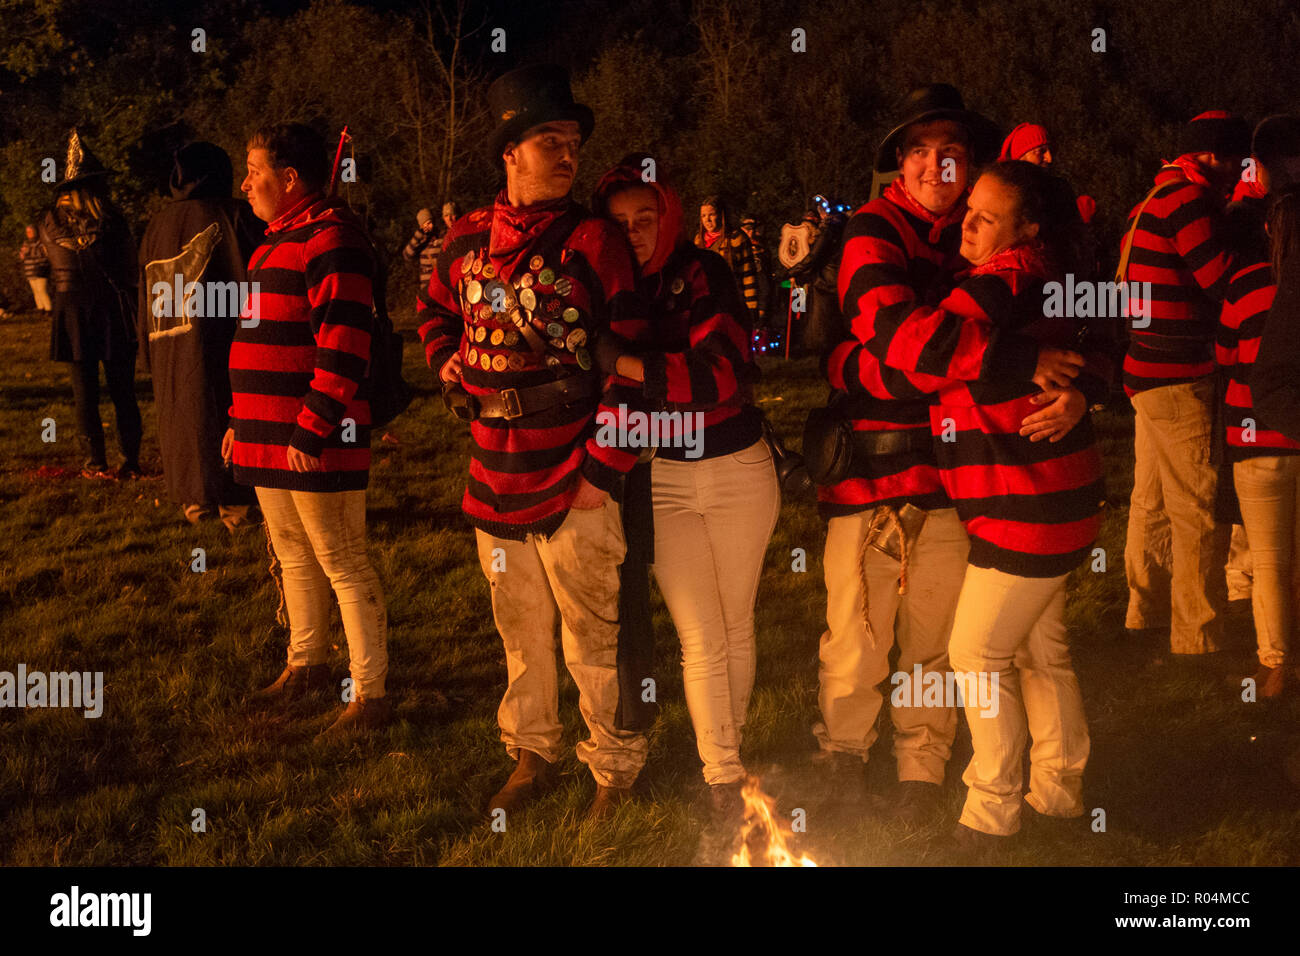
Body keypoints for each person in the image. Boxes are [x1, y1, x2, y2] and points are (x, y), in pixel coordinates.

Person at [417, 65, 648, 820]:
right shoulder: (462, 243)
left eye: (573, 141)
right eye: (550, 140)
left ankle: (613, 767)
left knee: (594, 632)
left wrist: (600, 472)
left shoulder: (595, 241)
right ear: (509, 152)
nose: (567, 153)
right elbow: (432, 316)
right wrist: (444, 358)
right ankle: (532, 749)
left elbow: (635, 364)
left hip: (573, 470)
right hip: (493, 472)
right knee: (520, 629)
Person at [865, 161, 1111, 850]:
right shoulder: (1058, 277)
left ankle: (991, 812)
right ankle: (1060, 792)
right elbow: (1105, 335)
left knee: (975, 653)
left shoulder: (997, 284)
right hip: (1059, 498)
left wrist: (1020, 362)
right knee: (1042, 649)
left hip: (1022, 505)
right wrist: (1080, 379)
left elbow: (918, 361)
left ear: (1025, 228)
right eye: (968, 208)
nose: (964, 223)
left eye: (985, 215)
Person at [813, 84, 1001, 825]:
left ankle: (921, 765)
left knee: (933, 634)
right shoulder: (871, 230)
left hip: (955, 474)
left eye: (950, 151)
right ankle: (844, 756)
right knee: (858, 635)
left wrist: (872, 363)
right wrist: (991, 359)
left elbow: (905, 351)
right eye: (919, 150)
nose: (934, 165)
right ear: (899, 161)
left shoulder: (985, 237)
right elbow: (904, 342)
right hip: (871, 471)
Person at [593, 154, 779, 827]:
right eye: (620, 223)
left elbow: (720, 375)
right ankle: (724, 773)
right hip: (663, 476)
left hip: (737, 469)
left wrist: (624, 363)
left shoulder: (705, 271)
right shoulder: (607, 290)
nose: (636, 232)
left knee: (735, 622)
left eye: (646, 218)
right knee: (700, 633)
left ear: (668, 216)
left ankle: (729, 761)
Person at [226, 123, 389, 738]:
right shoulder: (273, 243)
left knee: (342, 560)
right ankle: (308, 663)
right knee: (294, 556)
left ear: (289, 178)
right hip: (267, 436)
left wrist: (312, 428)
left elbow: (345, 344)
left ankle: (369, 693)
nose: (246, 185)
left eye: (255, 171)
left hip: (316, 441)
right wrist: (242, 422)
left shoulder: (334, 241)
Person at [1120, 111, 1251, 659]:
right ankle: (1197, 635)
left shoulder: (1155, 196)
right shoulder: (1190, 202)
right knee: (1197, 508)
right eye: (1237, 162)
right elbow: (1219, 279)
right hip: (1178, 376)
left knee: (1148, 500)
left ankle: (1144, 613)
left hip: (1144, 372)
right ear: (1216, 157)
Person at [138, 141, 264, 529]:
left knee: (184, 417)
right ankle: (236, 504)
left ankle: (195, 502)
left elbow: (141, 288)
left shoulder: (157, 224)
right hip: (227, 337)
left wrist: (147, 348)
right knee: (227, 410)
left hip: (171, 341)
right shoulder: (238, 216)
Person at [1221, 115, 1300, 697]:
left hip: (1255, 439)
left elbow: (1226, 357)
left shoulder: (1244, 285)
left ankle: (1275, 663)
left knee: (1268, 558)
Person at [41, 130, 142, 479]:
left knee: (84, 392)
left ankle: (94, 463)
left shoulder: (49, 222)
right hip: (110, 309)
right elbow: (131, 266)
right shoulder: (112, 220)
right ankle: (130, 460)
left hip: (71, 310)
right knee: (122, 390)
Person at [695, 196, 764, 328]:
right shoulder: (698, 241)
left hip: (731, 305)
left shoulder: (737, 239)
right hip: (704, 307)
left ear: (721, 215)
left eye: (711, 215)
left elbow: (748, 276)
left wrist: (751, 308)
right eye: (703, 216)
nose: (707, 220)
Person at [404, 201, 461, 293]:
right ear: (421, 226)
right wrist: (419, 235)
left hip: (442, 286)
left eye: (431, 222)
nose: (431, 226)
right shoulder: (418, 242)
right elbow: (407, 255)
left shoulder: (441, 236)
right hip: (427, 288)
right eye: (427, 224)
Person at [19, 225, 52, 312]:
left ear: (35, 232)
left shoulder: (40, 243)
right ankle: (41, 308)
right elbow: (22, 256)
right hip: (30, 271)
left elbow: (43, 255)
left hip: (40, 270)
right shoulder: (26, 243)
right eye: (27, 232)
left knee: (42, 290)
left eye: (30, 231)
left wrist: (30, 252)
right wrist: (25, 253)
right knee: (35, 291)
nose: (28, 234)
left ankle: (49, 309)